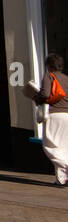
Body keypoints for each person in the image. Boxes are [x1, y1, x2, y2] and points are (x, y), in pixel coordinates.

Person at [33, 53, 68, 187]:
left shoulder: (49, 76)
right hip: (67, 116)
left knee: (50, 146)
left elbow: (45, 94)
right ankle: (61, 180)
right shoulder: (66, 78)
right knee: (63, 148)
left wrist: (36, 97)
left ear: (48, 65)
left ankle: (66, 165)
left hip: (55, 116)